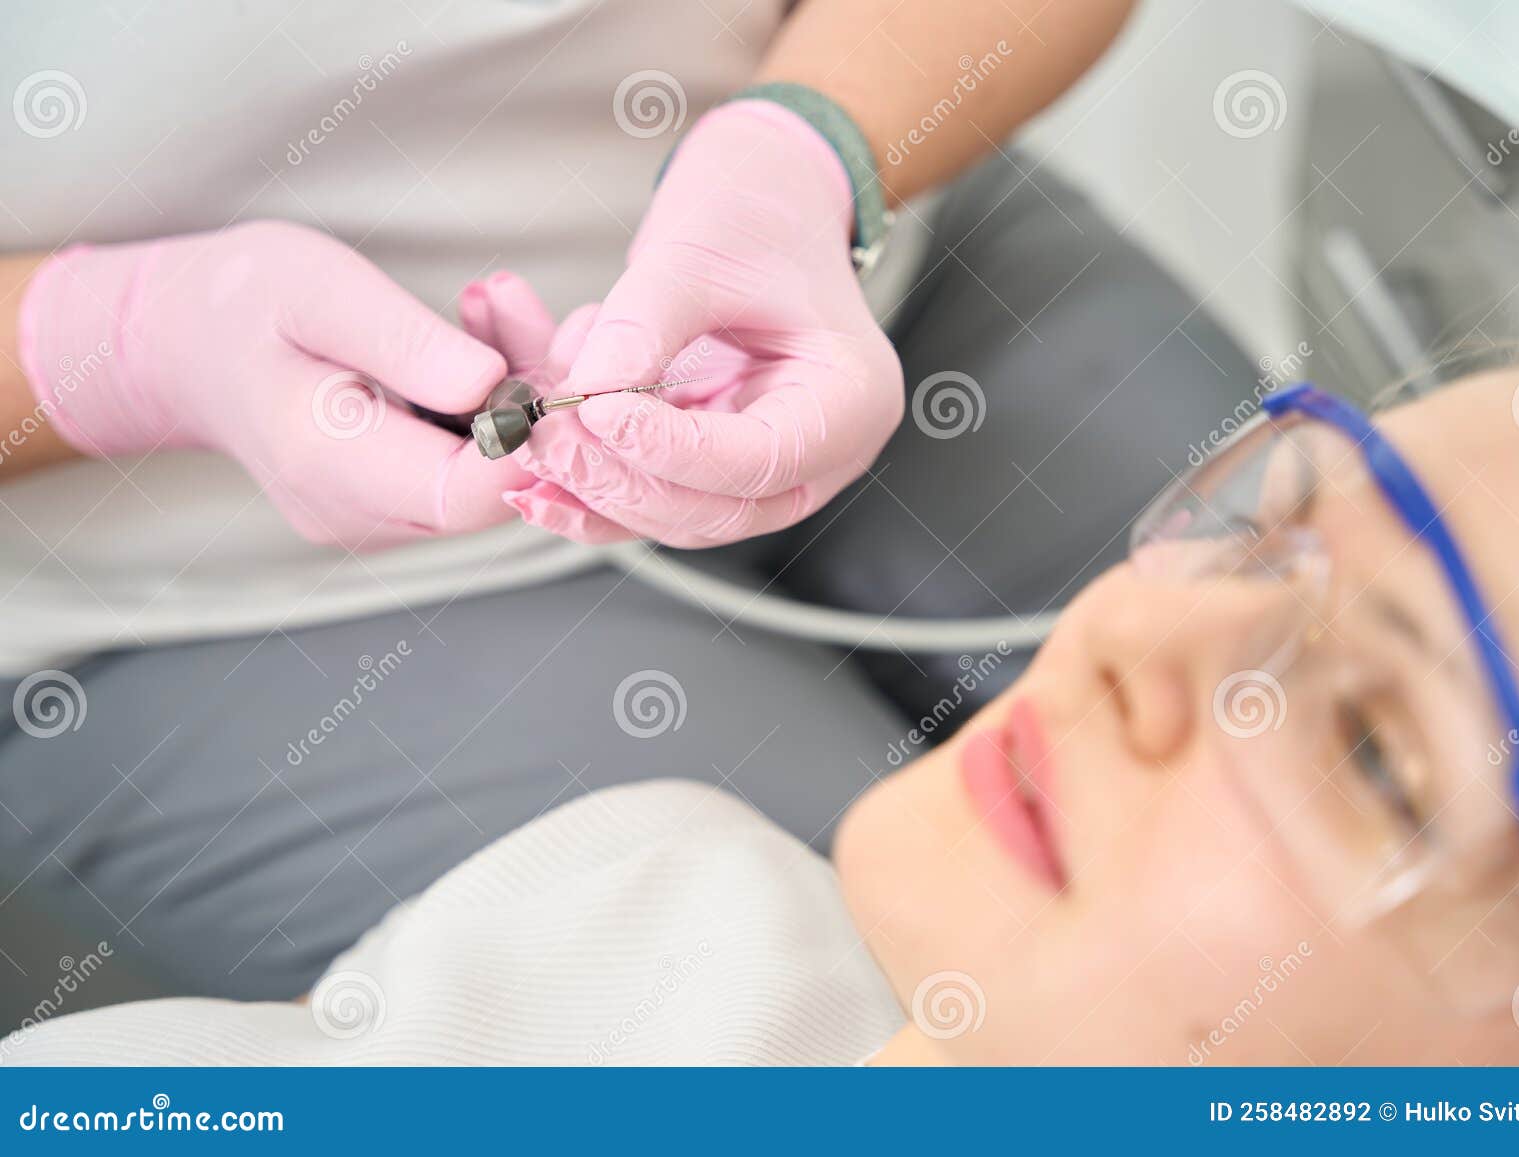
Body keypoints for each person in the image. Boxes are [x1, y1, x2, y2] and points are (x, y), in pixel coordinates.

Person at [4, 0, 1268, 1009]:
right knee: (856, 1001)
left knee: (1296, 720)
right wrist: (111, 346)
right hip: (202, 602)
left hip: (880, 237)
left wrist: (807, 152)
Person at [7, 358, 1519, 1065]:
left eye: (1378, 748)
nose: (1136, 633)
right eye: (1264, 523)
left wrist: (824, 140)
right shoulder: (653, 897)